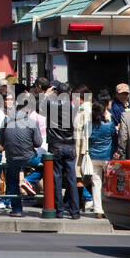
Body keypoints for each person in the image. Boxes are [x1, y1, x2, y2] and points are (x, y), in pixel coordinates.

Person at [0, 96, 42, 216]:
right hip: (29, 157)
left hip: (11, 157)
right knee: (46, 165)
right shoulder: (31, 122)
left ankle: (16, 210)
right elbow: (38, 143)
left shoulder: (6, 120)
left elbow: (1, 141)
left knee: (12, 181)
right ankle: (29, 180)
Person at [43, 86, 78, 219]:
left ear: (56, 93)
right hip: (70, 145)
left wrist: (47, 94)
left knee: (56, 178)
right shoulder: (74, 107)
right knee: (71, 178)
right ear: (69, 93)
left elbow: (39, 106)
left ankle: (59, 210)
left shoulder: (50, 104)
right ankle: (75, 211)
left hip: (56, 145)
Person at [85, 93, 116, 215]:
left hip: (93, 156)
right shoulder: (109, 125)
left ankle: (98, 209)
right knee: (108, 184)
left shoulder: (88, 125)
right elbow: (115, 138)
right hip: (107, 157)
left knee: (96, 183)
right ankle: (108, 208)